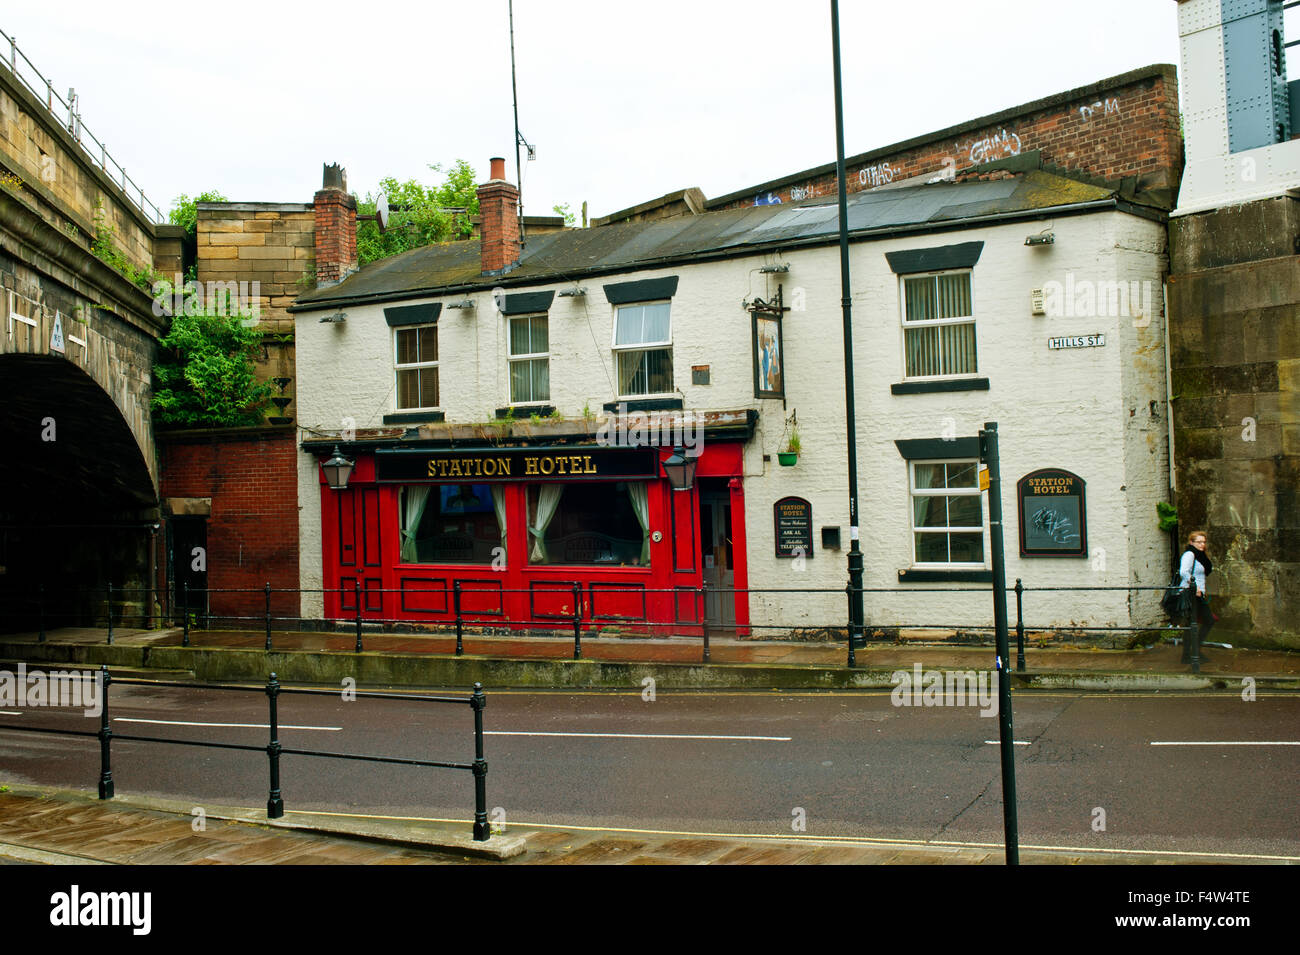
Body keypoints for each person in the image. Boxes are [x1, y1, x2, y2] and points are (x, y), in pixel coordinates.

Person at [1178, 530, 1214, 665]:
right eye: (1199, 542)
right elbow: (1183, 572)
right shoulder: (1190, 554)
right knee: (1198, 622)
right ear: (1191, 542)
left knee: (1197, 623)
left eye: (1204, 542)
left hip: (1199, 594)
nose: (1202, 545)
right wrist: (1195, 586)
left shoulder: (1201, 556)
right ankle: (1191, 654)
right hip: (1191, 593)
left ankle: (1191, 653)